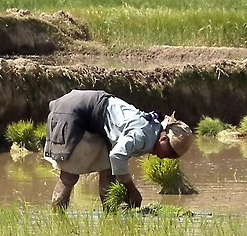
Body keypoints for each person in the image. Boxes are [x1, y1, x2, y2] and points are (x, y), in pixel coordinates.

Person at [43, 89, 194, 210]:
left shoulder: (151, 127)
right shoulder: (142, 134)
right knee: (70, 175)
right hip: (71, 113)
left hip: (88, 112)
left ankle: (110, 215)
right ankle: (57, 220)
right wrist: (131, 189)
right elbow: (117, 155)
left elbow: (115, 158)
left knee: (108, 169)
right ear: (163, 139)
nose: (163, 158)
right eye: (168, 153)